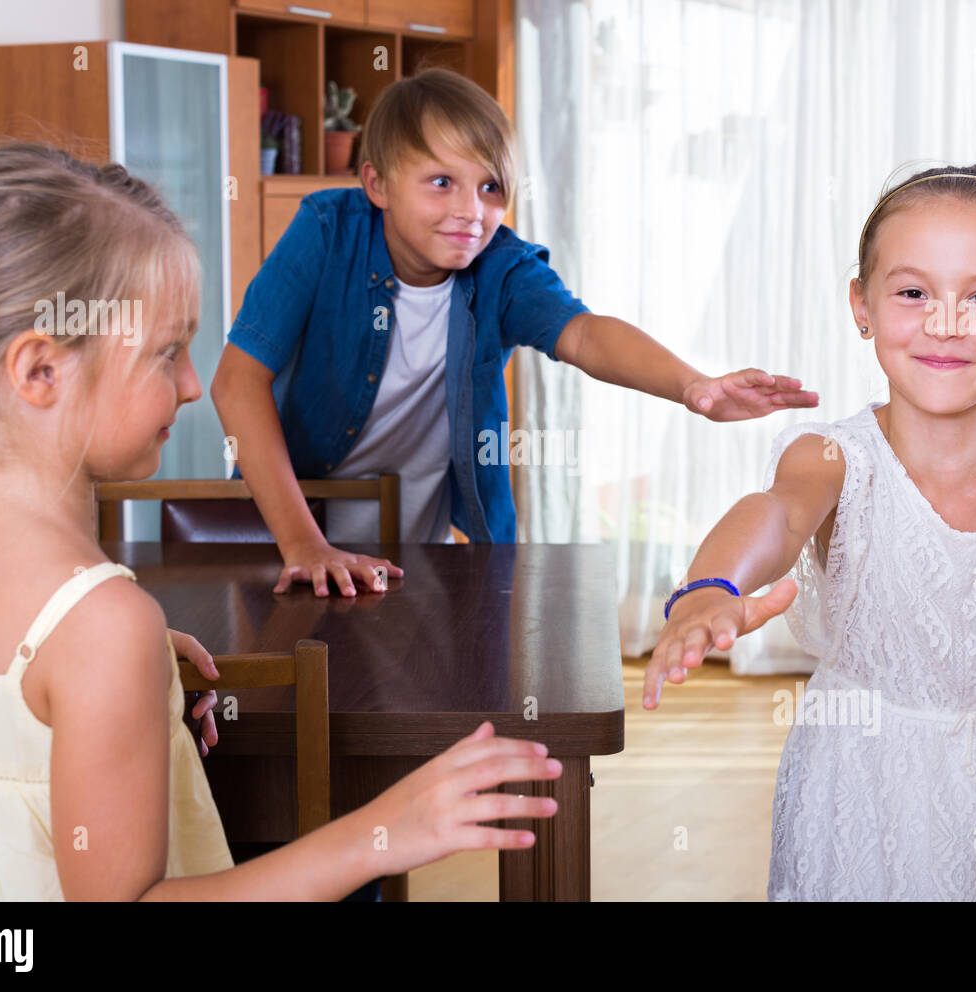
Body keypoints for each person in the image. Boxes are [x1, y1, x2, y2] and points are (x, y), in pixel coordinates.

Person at [0, 143, 561, 900]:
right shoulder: (100, 628)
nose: (193, 385)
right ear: (40, 370)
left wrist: (122, 683)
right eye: (167, 352)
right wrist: (381, 832)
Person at [644, 162, 976, 900]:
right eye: (914, 292)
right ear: (863, 306)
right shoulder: (830, 457)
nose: (945, 322)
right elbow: (779, 513)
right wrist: (709, 588)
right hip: (858, 775)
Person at [214, 68, 819, 599]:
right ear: (377, 186)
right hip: (287, 532)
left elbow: (585, 335)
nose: (470, 211)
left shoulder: (502, 269)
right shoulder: (326, 230)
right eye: (440, 182)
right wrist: (304, 545)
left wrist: (692, 385)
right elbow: (237, 382)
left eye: (490, 187)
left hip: (411, 548)